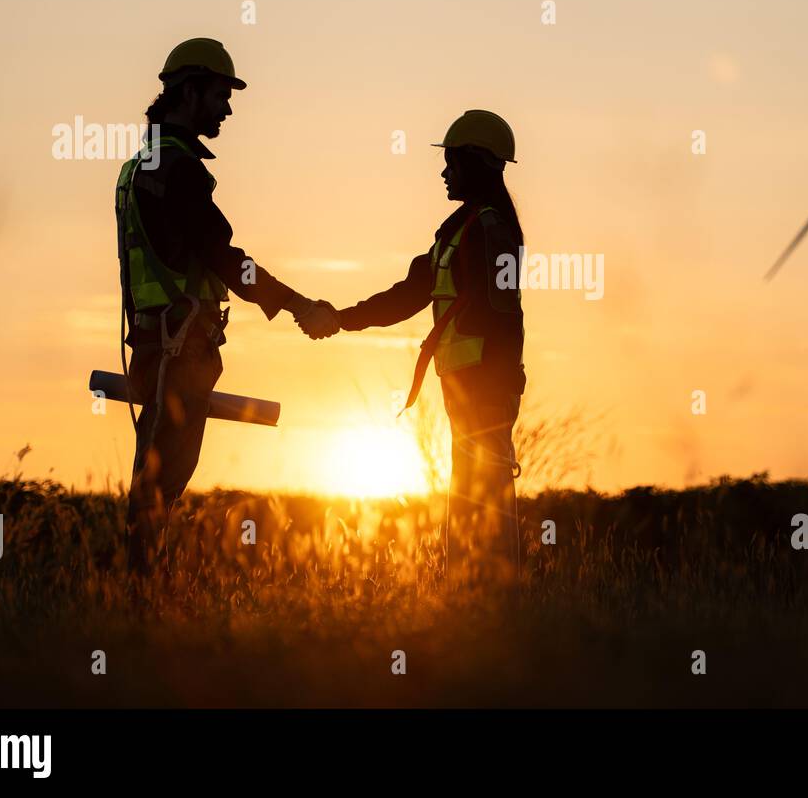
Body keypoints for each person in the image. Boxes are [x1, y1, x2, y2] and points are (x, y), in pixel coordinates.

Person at [115, 37, 337, 577]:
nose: (228, 107)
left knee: (152, 472)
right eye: (220, 94)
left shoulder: (138, 165)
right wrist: (295, 304)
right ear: (189, 92)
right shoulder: (180, 167)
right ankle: (138, 589)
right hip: (182, 344)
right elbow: (222, 258)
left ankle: (131, 588)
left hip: (150, 340)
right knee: (163, 480)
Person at [332, 109, 526, 586]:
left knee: (487, 493)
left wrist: (503, 386)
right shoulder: (455, 232)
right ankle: (469, 591)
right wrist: (342, 318)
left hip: (485, 385)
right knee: (469, 490)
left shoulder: (489, 228)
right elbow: (408, 294)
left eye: (453, 161)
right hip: (463, 385)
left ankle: (494, 594)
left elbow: (504, 313)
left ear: (478, 163)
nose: (444, 171)